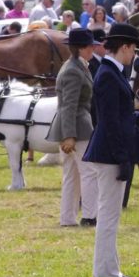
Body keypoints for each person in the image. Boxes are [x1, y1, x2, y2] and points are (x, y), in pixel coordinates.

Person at [83, 23, 139, 277]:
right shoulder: (108, 74)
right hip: (109, 154)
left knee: (110, 215)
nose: (133, 56)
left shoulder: (111, 72)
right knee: (108, 215)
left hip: (109, 152)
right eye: (133, 50)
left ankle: (110, 269)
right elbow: (109, 122)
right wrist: (122, 158)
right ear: (125, 47)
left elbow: (122, 115)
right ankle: (105, 273)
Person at [47, 29, 102, 227]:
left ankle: (68, 218)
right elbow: (69, 105)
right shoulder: (73, 69)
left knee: (72, 174)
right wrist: (69, 135)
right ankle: (89, 215)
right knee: (88, 172)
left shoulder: (77, 66)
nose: (93, 49)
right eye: (90, 46)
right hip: (77, 128)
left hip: (76, 125)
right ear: (81, 48)